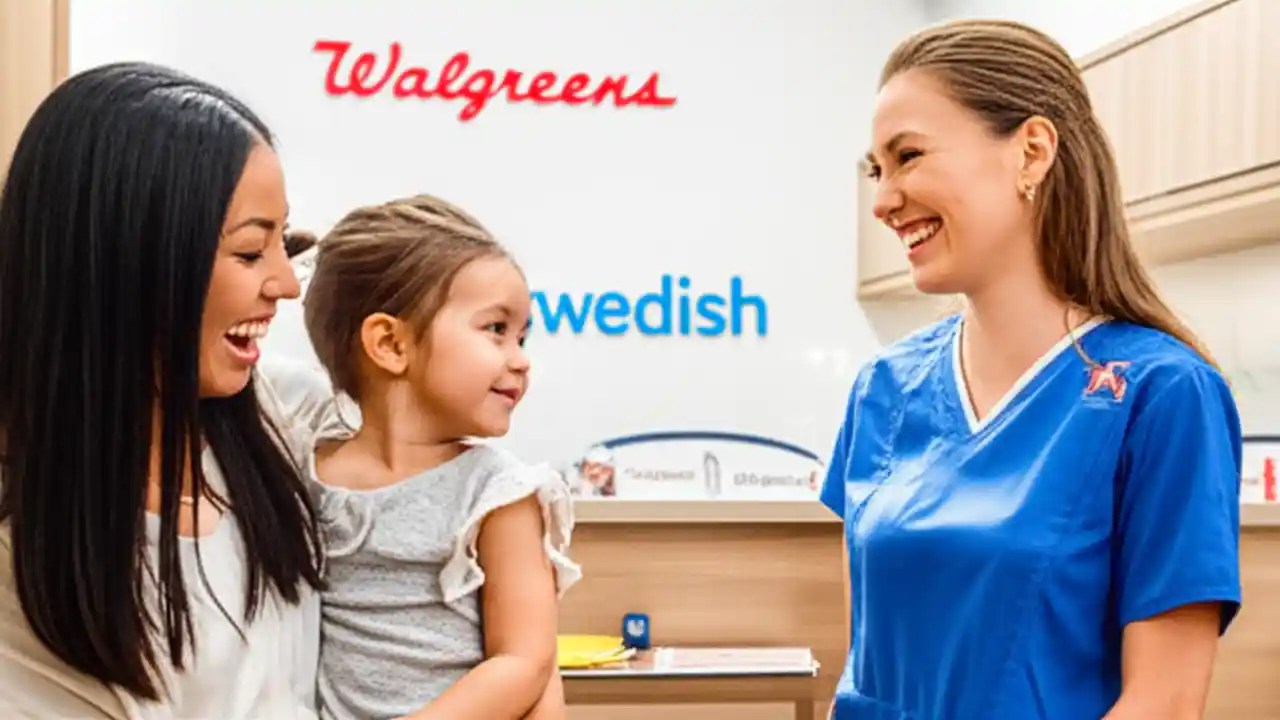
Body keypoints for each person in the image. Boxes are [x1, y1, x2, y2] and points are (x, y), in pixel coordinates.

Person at [823, 19, 1241, 720]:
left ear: (1033, 151)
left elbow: (1164, 702)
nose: (883, 200)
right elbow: (867, 668)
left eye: (908, 156)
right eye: (877, 170)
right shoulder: (883, 390)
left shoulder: (1163, 394)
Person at [0, 62, 330, 718]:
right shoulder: (26, 547)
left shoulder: (287, 414)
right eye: (249, 252)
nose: (287, 284)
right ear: (127, 261)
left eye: (283, 242)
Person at [299, 193, 581, 719]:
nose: (521, 361)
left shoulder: (498, 492)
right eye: (496, 330)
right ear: (390, 344)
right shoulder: (304, 476)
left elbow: (524, 661)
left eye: (521, 338)